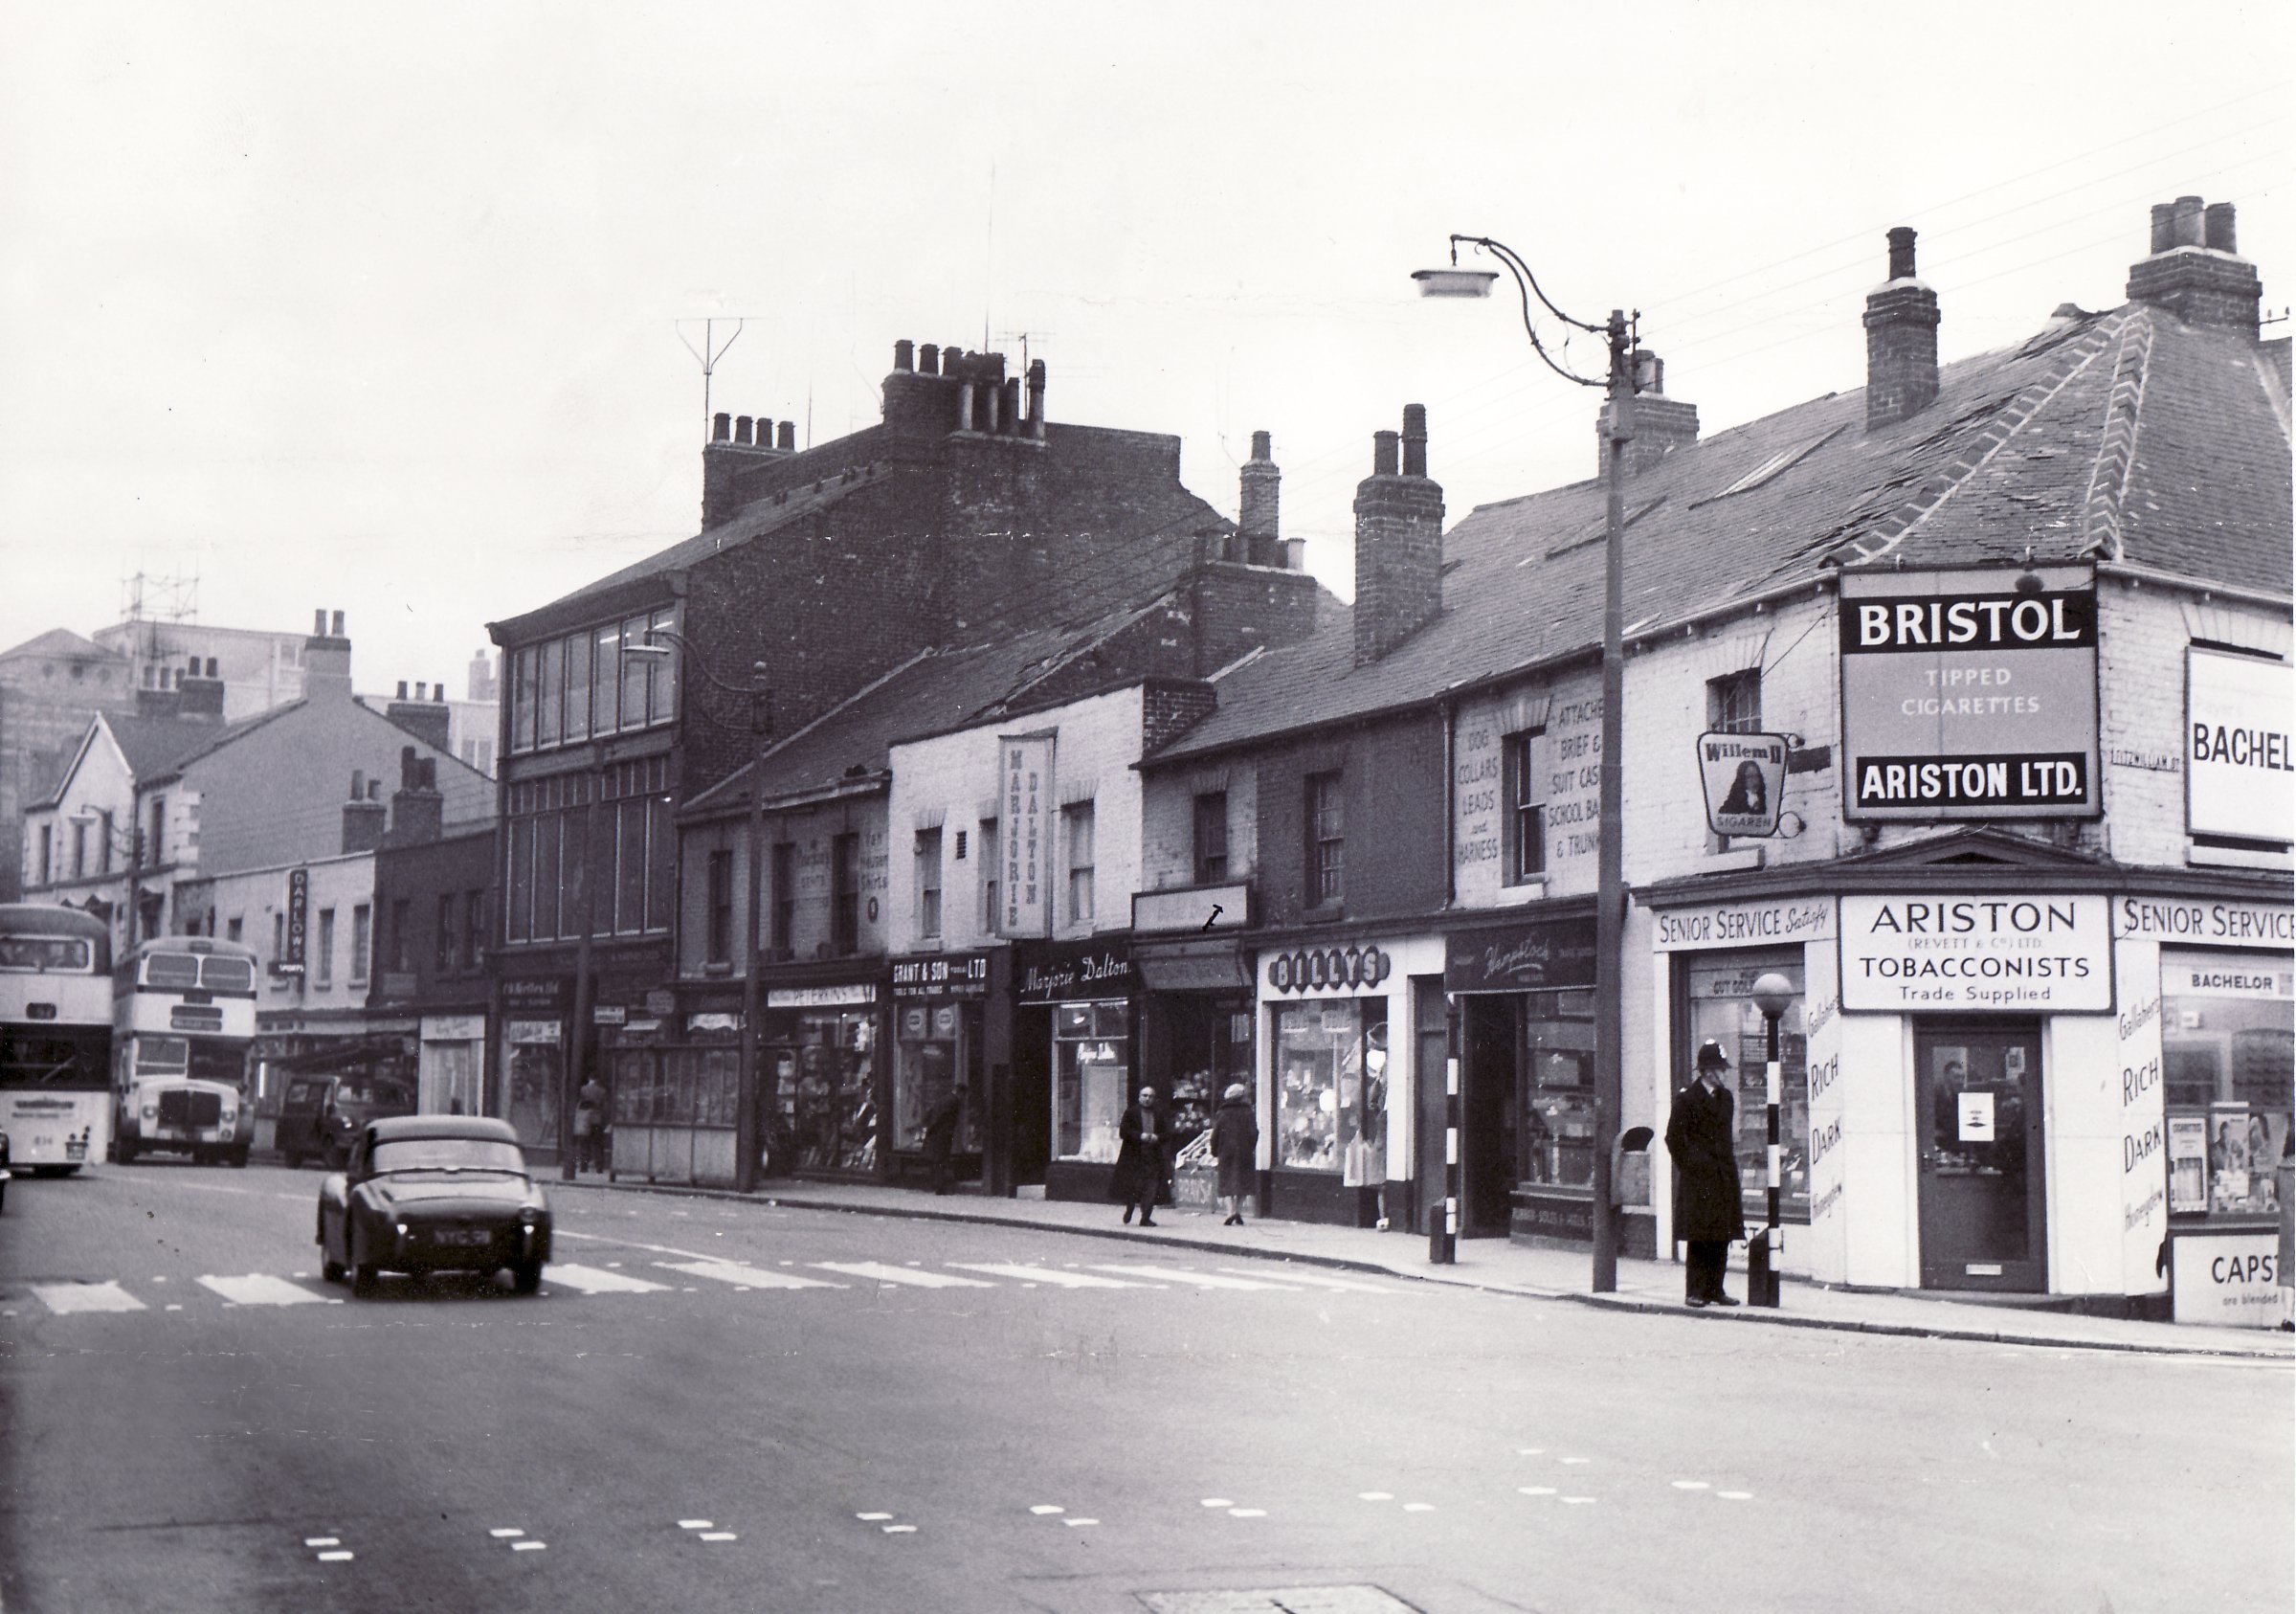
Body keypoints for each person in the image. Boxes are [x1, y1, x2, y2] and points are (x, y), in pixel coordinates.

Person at [1665, 1039, 1746, 1309]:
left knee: (1721, 1234)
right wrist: (1691, 1166)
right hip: (1699, 1179)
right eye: (1721, 1070)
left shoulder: (1726, 1098)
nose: (1725, 1074)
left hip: (1723, 1175)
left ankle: (1716, 1288)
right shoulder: (1687, 1099)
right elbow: (1673, 1138)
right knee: (1700, 1236)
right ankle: (1695, 1290)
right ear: (1708, 1071)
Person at [1110, 1085, 1165, 1227]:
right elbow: (1123, 1132)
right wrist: (1140, 1136)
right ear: (1139, 1097)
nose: (1147, 1099)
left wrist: (1157, 1138)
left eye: (1151, 1096)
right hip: (1134, 1157)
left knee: (1151, 1187)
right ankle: (1130, 1209)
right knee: (1133, 1187)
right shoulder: (1131, 1113)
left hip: (1152, 1157)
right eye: (1145, 1096)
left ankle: (1145, 1217)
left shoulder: (1158, 1114)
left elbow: (1167, 1133)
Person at [1211, 1082, 1259, 1227]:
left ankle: (1230, 1211)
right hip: (1244, 1152)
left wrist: (1214, 1150)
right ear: (1242, 1097)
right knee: (1243, 1182)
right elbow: (1254, 1132)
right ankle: (1238, 1210)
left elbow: (1215, 1135)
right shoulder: (1248, 1112)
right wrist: (1250, 1146)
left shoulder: (1222, 1113)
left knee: (1226, 1182)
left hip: (1226, 1152)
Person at [922, 1085, 965, 1196]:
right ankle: (940, 1187)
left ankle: (936, 1184)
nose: (963, 1098)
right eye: (963, 1095)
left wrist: (929, 1127)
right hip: (943, 1134)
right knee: (941, 1159)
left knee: (936, 1160)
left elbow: (931, 1112)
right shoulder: (954, 1101)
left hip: (936, 1133)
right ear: (960, 1092)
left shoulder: (943, 1098)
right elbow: (944, 1117)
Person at [574, 1073, 609, 1173]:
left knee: (584, 1144)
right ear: (597, 1079)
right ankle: (599, 1167)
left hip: (584, 1120)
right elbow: (605, 1108)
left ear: (589, 1079)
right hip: (597, 1120)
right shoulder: (602, 1091)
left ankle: (583, 1167)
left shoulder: (583, 1090)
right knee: (597, 1144)